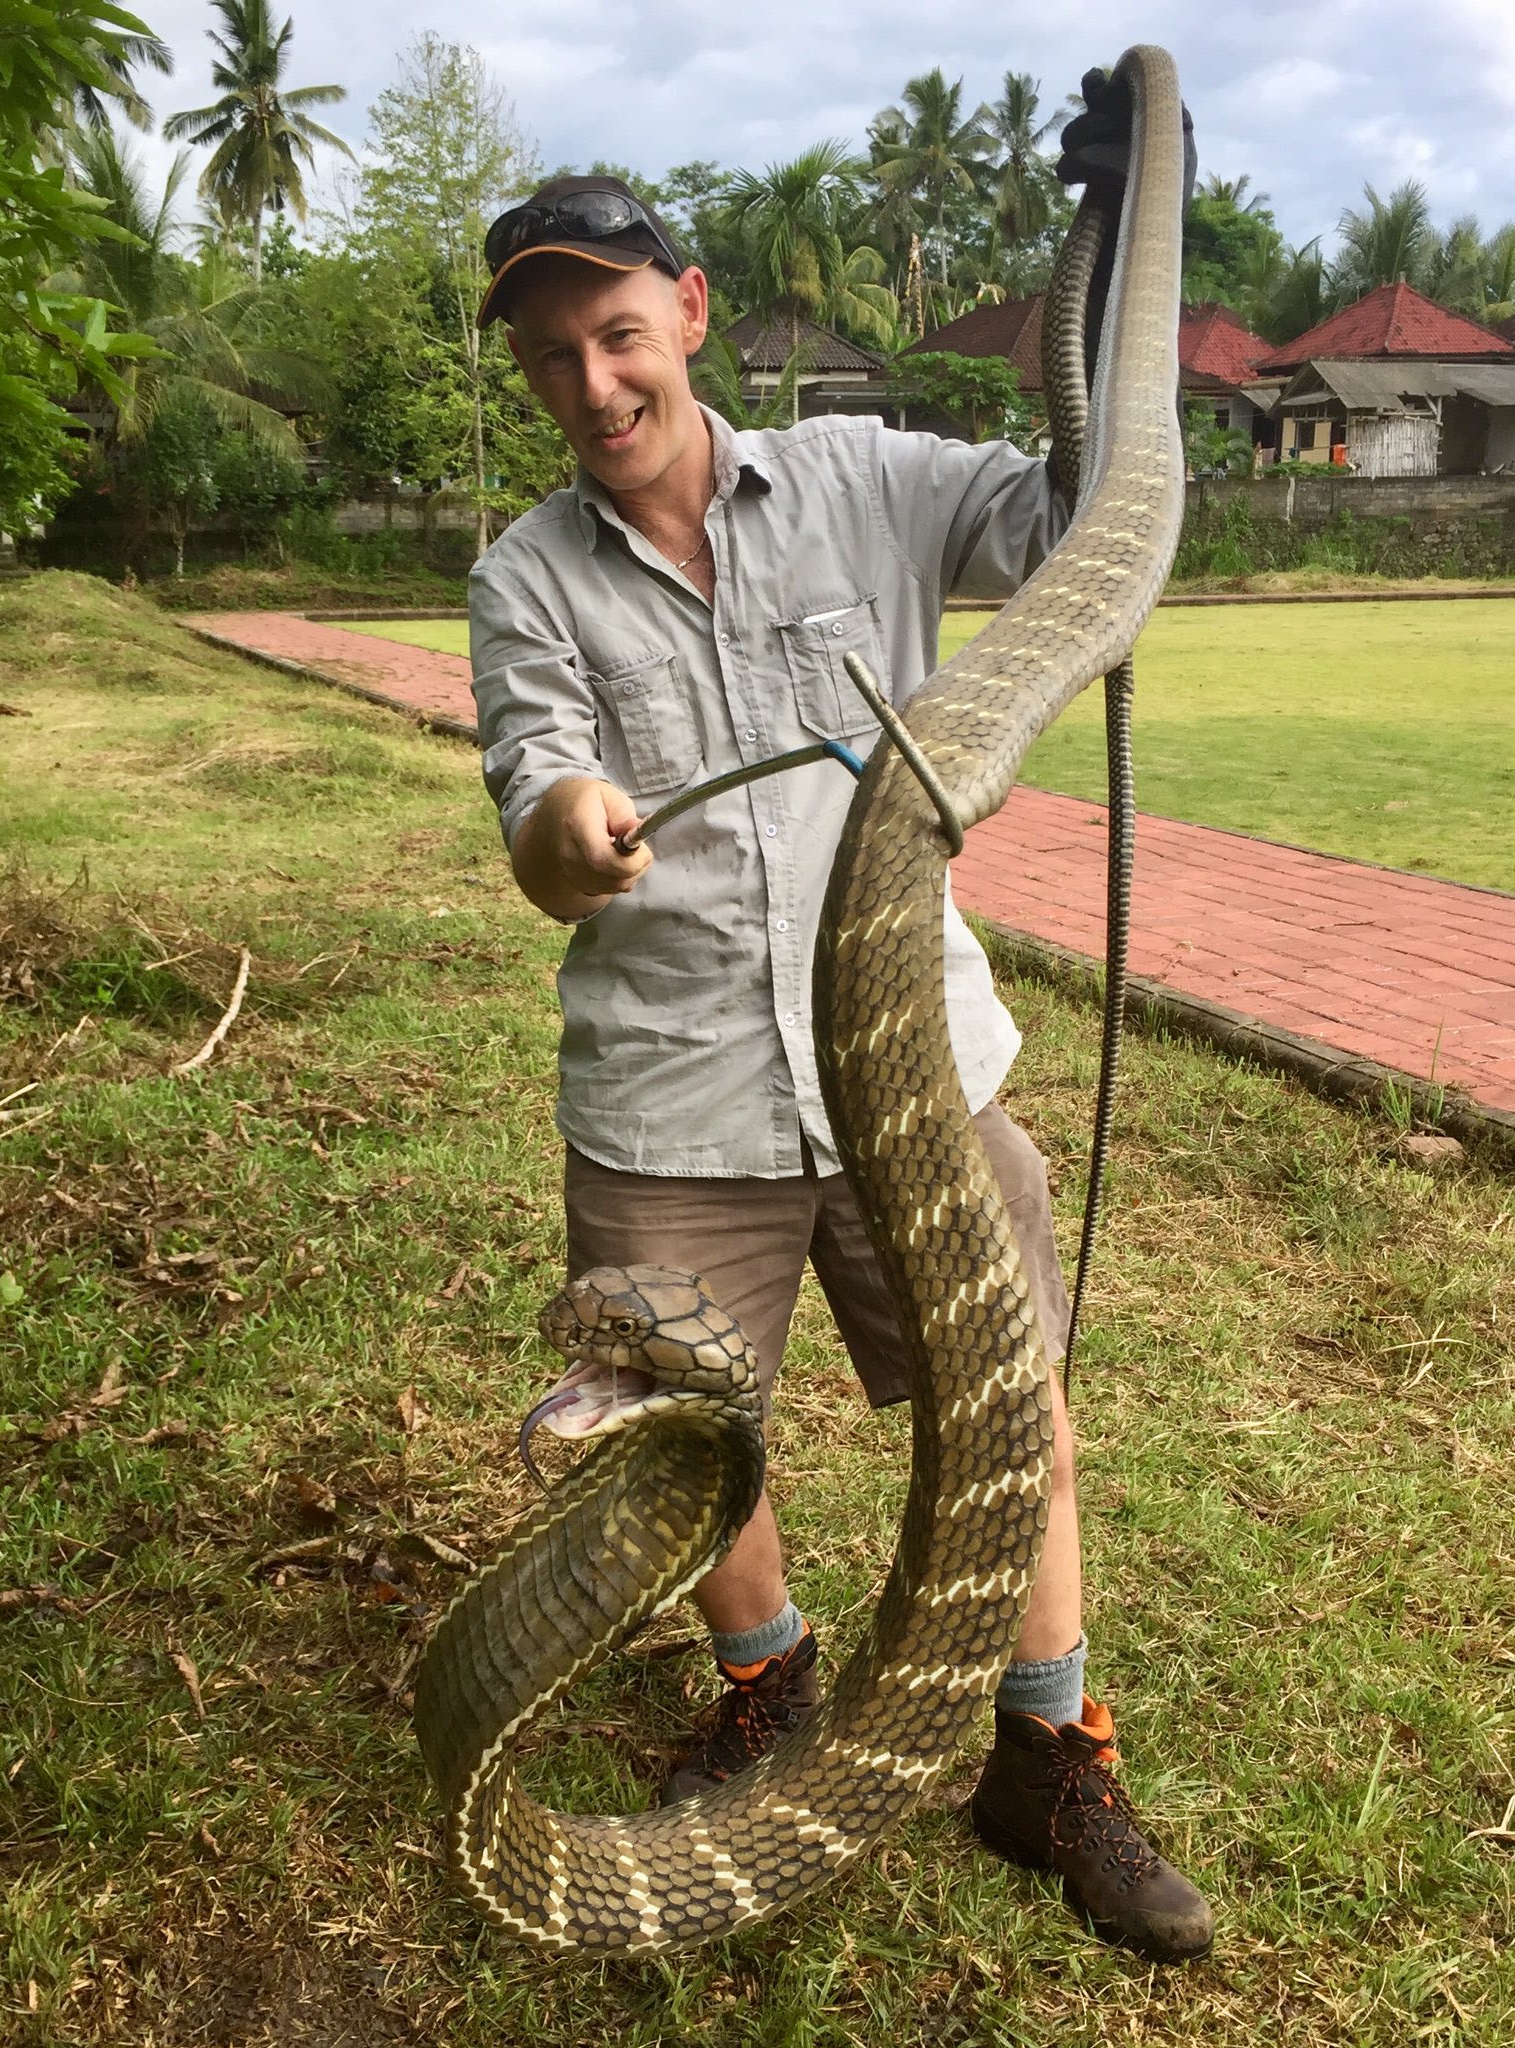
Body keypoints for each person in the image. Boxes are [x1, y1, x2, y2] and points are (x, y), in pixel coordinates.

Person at [468, 104, 1212, 1966]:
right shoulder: (524, 579)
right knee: (678, 1430)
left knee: (1005, 1399)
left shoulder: (872, 478)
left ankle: (1048, 1753)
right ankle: (770, 1686)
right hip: (676, 1086)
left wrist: (1108, 257)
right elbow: (538, 797)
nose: (594, 377)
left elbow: (1069, 526)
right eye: (554, 352)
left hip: (919, 1066)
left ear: (690, 313)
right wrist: (565, 834)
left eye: (618, 330)